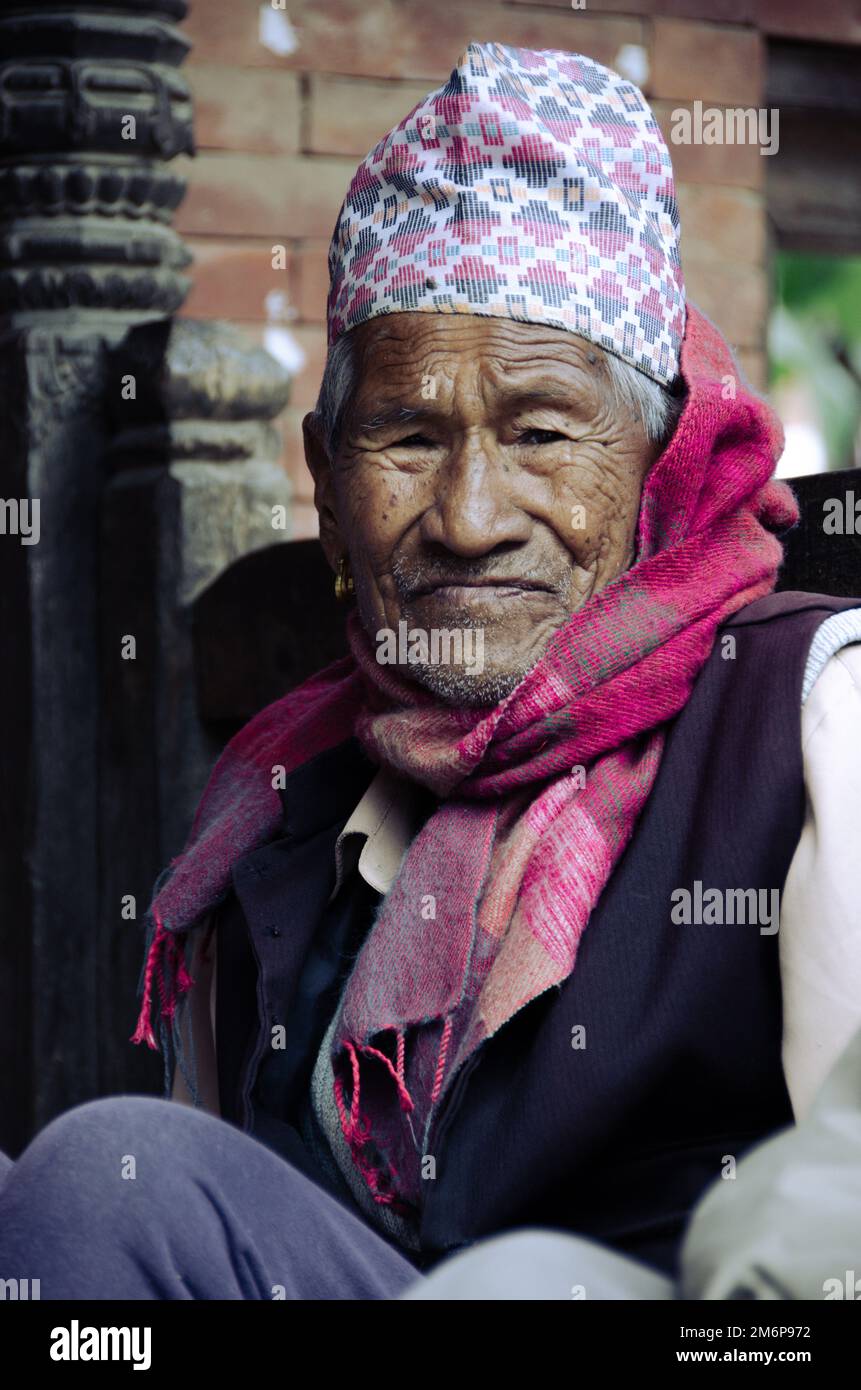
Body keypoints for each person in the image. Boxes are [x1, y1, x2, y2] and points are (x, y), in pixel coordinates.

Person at [1, 40, 859, 1301]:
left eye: (542, 432)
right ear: (326, 483)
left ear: (660, 454)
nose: (467, 516)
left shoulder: (809, 721)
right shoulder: (284, 818)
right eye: (407, 436)